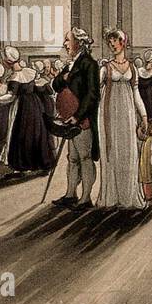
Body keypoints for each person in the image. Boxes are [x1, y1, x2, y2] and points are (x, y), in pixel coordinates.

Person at [96, 27, 148, 210]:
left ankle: (129, 197)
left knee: (128, 153)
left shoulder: (132, 68)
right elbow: (95, 92)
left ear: (123, 43)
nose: (112, 45)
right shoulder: (105, 68)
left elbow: (136, 94)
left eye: (115, 42)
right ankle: (111, 197)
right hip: (109, 114)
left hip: (127, 115)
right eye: (110, 43)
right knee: (112, 153)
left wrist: (144, 116)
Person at [49, 28, 101, 207]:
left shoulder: (89, 64)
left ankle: (86, 198)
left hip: (82, 120)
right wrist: (64, 77)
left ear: (78, 43)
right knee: (72, 158)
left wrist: (77, 116)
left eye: (67, 40)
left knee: (85, 157)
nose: (64, 44)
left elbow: (92, 95)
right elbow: (55, 85)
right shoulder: (70, 64)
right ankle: (70, 194)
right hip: (68, 120)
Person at [0, 45, 55, 174]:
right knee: (36, 133)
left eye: (3, 60)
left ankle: (22, 166)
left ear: (8, 61)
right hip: (35, 105)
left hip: (23, 107)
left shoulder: (14, 77)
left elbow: (11, 97)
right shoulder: (29, 71)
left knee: (21, 134)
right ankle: (42, 165)